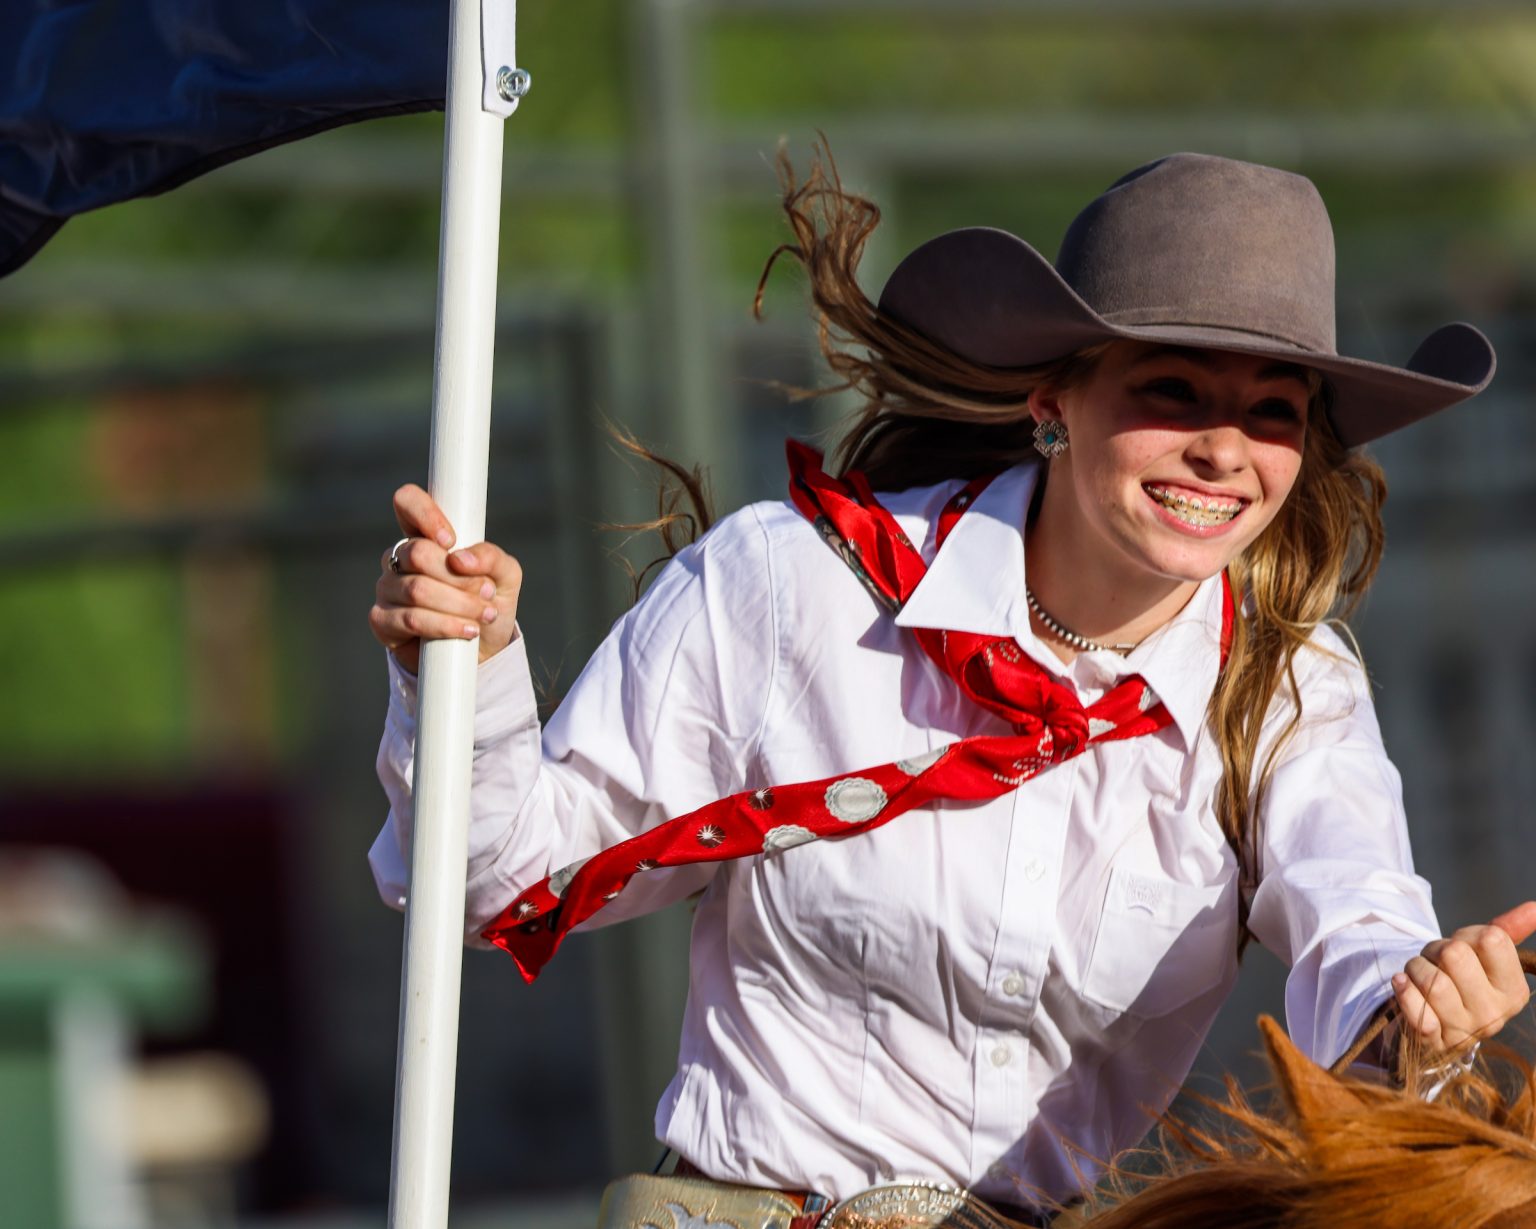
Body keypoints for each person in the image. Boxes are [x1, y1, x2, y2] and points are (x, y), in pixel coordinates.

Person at [365, 148, 1534, 1228]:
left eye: (1273, 412)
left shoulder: (1289, 685)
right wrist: (467, 672)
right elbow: (490, 879)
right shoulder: (792, 582)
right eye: (1173, 389)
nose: (1224, 449)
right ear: (1053, 402)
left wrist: (1421, 1006)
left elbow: (1359, 934)